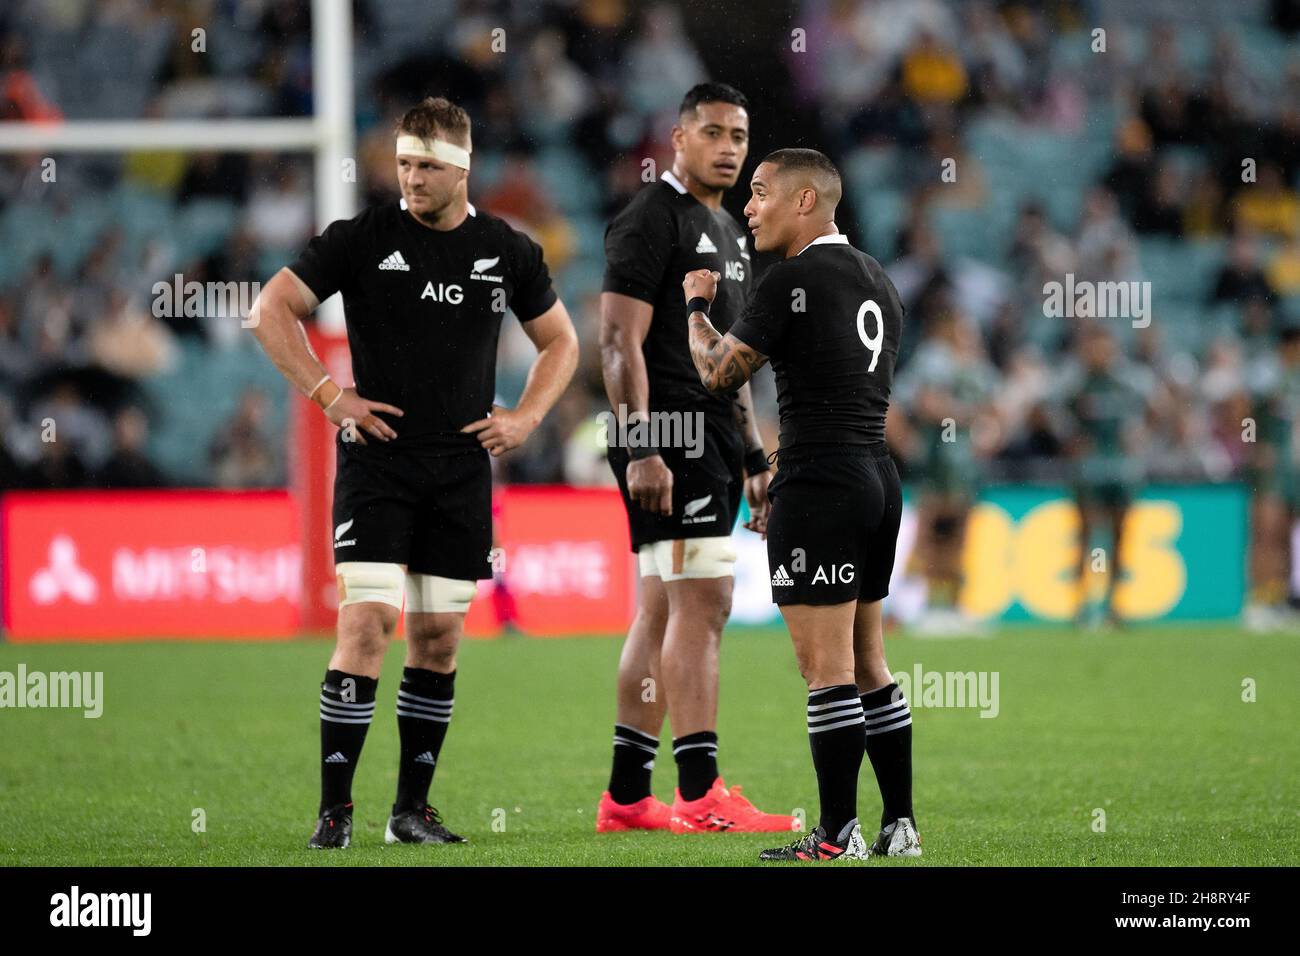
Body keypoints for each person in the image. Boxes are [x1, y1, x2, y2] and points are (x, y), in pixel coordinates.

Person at [248, 96, 579, 849]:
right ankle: (334, 812)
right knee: (367, 625)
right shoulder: (362, 238)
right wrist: (332, 396)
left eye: (427, 165)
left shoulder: (508, 249)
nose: (412, 177)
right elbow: (272, 308)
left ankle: (410, 812)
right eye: (403, 163)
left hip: (461, 472)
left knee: (437, 641)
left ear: (462, 169)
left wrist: (525, 418)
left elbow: (562, 343)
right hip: (379, 465)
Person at [685, 148, 920, 861]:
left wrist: (696, 306)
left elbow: (718, 373)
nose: (748, 208)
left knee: (827, 673)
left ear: (806, 203)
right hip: (878, 480)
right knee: (870, 659)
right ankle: (899, 827)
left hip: (821, 488)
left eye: (759, 194)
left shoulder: (793, 279)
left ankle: (836, 837)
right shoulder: (879, 279)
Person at [597, 83, 795, 834]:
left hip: (710, 435)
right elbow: (617, 341)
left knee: (660, 610)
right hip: (669, 435)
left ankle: (625, 796)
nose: (729, 147)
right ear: (676, 139)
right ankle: (701, 793)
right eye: (711, 132)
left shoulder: (728, 229)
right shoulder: (651, 218)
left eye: (739, 136)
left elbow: (726, 356)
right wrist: (643, 442)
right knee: (704, 605)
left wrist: (752, 454)